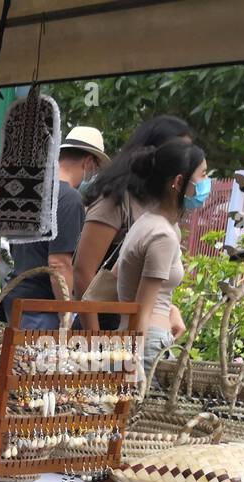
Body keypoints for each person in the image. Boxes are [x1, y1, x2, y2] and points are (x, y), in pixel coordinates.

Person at [74, 115, 194, 330]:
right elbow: (83, 272)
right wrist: (94, 340)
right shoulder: (117, 199)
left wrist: (170, 310)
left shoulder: (162, 208)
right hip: (106, 326)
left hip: (139, 329)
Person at [116, 138, 209, 377]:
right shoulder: (162, 235)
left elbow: (134, 284)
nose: (207, 184)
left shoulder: (150, 222)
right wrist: (132, 371)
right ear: (179, 182)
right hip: (147, 348)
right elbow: (141, 310)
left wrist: (170, 309)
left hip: (145, 341)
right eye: (203, 176)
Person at [1, 126, 108, 330]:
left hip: (17, 297)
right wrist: (66, 315)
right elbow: (59, 264)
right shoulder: (69, 198)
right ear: (88, 162)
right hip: (41, 306)